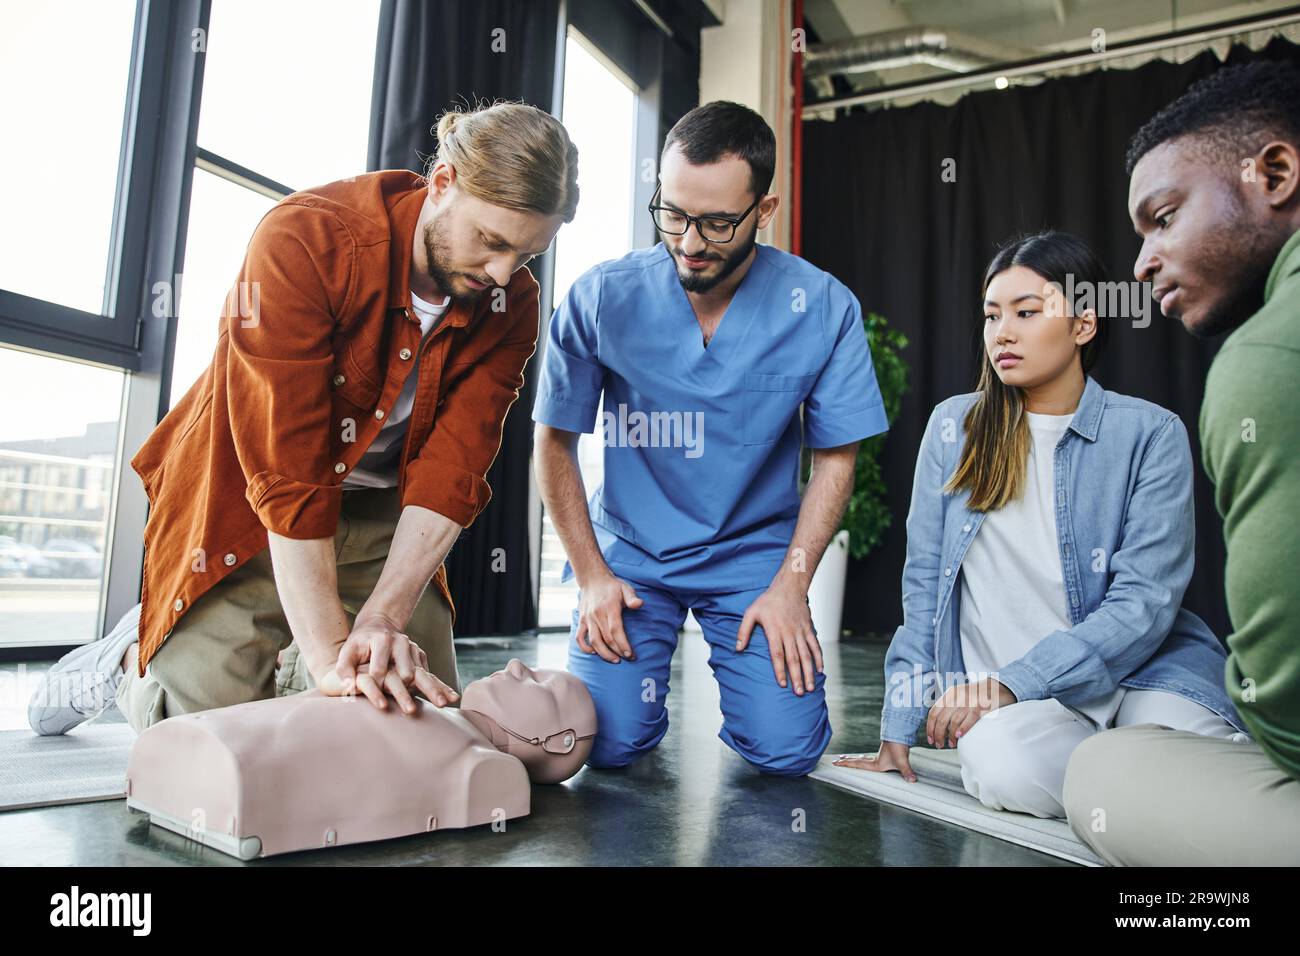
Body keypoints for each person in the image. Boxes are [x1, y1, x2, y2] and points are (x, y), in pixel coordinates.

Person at [29, 102, 577, 735]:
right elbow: (289, 468)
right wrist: (327, 660)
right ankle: (129, 660)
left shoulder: (512, 300)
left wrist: (381, 623)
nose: (504, 274)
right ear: (443, 182)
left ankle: (295, 652)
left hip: (380, 515)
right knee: (205, 733)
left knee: (412, 719)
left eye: (528, 254)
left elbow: (453, 467)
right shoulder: (306, 238)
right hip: (251, 501)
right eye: (493, 242)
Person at [833, 230, 1248, 818]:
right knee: (1004, 768)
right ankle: (1138, 785)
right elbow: (924, 589)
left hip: (1140, 676)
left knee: (1199, 753)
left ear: (1084, 325)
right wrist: (899, 724)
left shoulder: (1150, 433)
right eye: (991, 315)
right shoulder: (955, 429)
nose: (1001, 333)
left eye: (1027, 313)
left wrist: (1015, 679)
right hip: (1024, 707)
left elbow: (1144, 604)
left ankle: (1127, 774)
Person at [532, 101, 889, 776]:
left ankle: (750, 697)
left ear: (766, 208)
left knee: (787, 753)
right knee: (604, 745)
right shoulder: (601, 297)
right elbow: (554, 443)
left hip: (753, 558)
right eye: (671, 212)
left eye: (718, 223)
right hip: (631, 555)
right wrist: (590, 577)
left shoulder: (822, 307)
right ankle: (635, 704)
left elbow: (837, 459)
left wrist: (791, 584)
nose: (690, 242)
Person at [1063, 60, 1300, 864]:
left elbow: (1283, 712)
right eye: (993, 313)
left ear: (1274, 171)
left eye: (1163, 218)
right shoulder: (958, 432)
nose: (1141, 263)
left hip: (1165, 695)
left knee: (1101, 773)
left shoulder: (1260, 361)